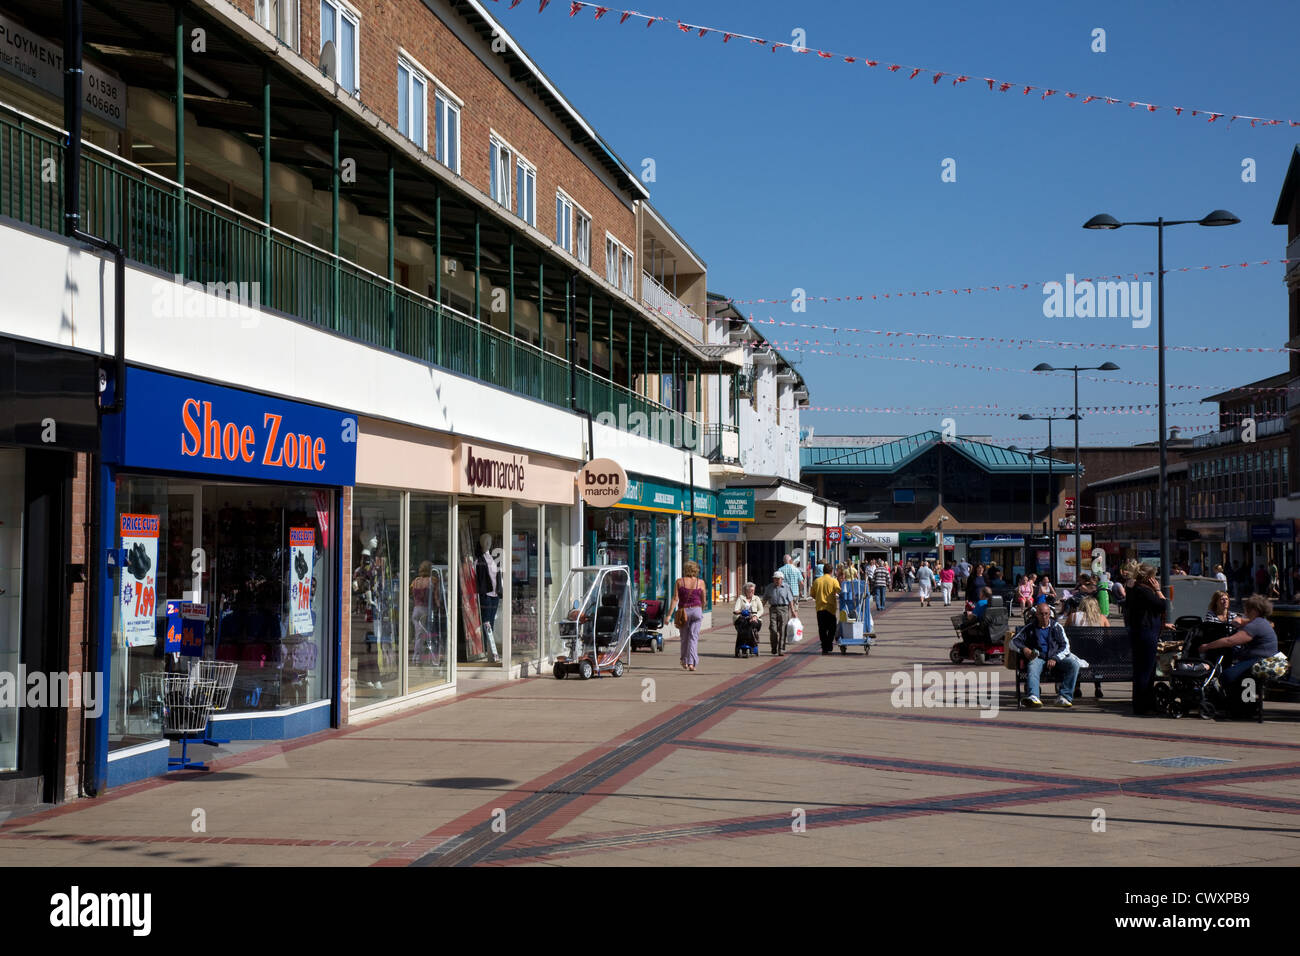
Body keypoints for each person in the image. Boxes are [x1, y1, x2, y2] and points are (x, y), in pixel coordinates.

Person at [1201, 595, 1279, 705]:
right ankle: (1243, 704)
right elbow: (1244, 621)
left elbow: (1230, 641)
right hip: (1269, 660)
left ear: (1255, 610)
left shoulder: (1255, 625)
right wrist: (1240, 620)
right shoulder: (1260, 622)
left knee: (1226, 676)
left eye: (1247, 608)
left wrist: (1207, 646)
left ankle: (1241, 705)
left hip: (1263, 662)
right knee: (1237, 674)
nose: (1245, 611)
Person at [1123, 563, 1173, 716]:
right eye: (1153, 576)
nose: (1155, 579)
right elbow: (1163, 604)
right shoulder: (1144, 591)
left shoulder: (1133, 587)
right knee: (1146, 670)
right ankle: (1143, 705)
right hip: (1147, 633)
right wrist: (1158, 590)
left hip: (1140, 632)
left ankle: (1143, 703)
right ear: (1149, 578)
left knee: (1144, 670)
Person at [1010, 601, 1081, 708]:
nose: (1044, 616)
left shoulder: (1057, 627)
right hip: (1039, 657)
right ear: (1036, 615)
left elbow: (1065, 646)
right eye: (1041, 614)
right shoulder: (1030, 628)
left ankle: (1064, 697)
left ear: (1050, 614)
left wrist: (1055, 658)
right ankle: (1034, 697)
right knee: (1032, 666)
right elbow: (1013, 642)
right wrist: (1024, 649)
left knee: (1074, 664)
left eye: (1046, 614)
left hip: (1056, 657)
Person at [665, 560, 706, 672]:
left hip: (684, 612)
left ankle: (684, 661)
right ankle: (692, 663)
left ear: (685, 569)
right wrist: (700, 611)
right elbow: (704, 600)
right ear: (696, 570)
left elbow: (675, 599)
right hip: (697, 611)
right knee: (694, 638)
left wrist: (669, 615)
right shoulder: (700, 582)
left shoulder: (679, 581)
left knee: (684, 638)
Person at [1066, 594, 1109, 699]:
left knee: (1076, 656)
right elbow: (1109, 636)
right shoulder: (1102, 618)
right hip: (1096, 654)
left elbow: (1065, 632)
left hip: (1078, 652)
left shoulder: (1073, 616)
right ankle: (1097, 687)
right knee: (1096, 659)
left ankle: (1077, 687)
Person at [810, 563, 842, 655]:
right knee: (832, 628)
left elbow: (812, 594)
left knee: (822, 628)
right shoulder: (833, 581)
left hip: (820, 608)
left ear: (823, 571)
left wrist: (819, 597)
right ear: (831, 571)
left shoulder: (817, 581)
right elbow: (839, 590)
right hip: (830, 608)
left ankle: (824, 646)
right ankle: (829, 644)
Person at [764, 570, 794, 657]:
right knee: (773, 629)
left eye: (778, 579)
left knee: (782, 629)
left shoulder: (786, 587)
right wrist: (759, 610)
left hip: (784, 608)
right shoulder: (769, 587)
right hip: (773, 609)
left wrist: (793, 610)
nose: (776, 581)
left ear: (782, 579)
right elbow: (765, 599)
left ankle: (780, 649)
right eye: (775, 579)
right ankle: (774, 646)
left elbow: (790, 599)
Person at [732, 581, 764, 658]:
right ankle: (750, 644)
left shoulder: (756, 598)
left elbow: (761, 610)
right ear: (746, 591)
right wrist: (741, 611)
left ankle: (751, 646)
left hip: (754, 618)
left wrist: (755, 616)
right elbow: (736, 609)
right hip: (742, 618)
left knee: (752, 624)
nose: (752, 592)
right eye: (750, 590)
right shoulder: (741, 598)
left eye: (753, 590)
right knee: (744, 625)